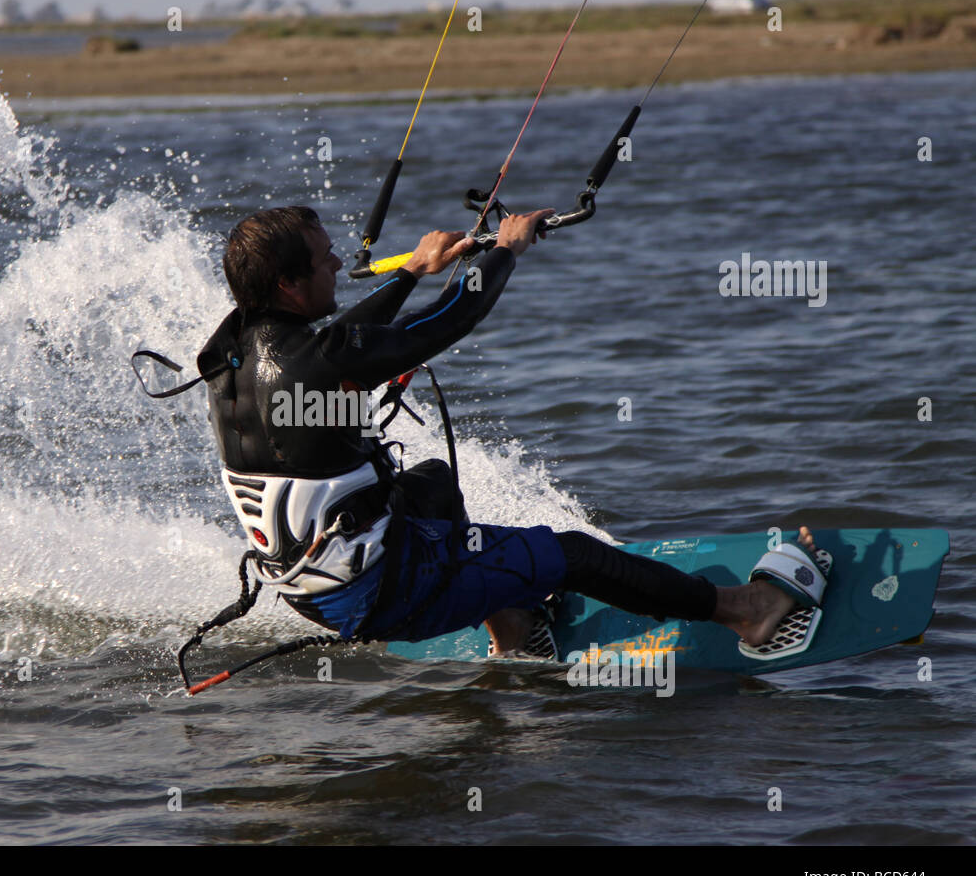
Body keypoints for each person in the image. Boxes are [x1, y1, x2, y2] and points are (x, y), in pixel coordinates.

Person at [198, 205, 825, 655]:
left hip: (308, 592)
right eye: (323, 257)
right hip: (379, 590)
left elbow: (342, 346)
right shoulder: (318, 360)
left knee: (434, 481)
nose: (339, 261)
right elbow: (448, 320)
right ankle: (745, 613)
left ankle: (513, 630)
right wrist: (506, 249)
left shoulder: (231, 358)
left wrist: (414, 270)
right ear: (287, 282)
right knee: (571, 555)